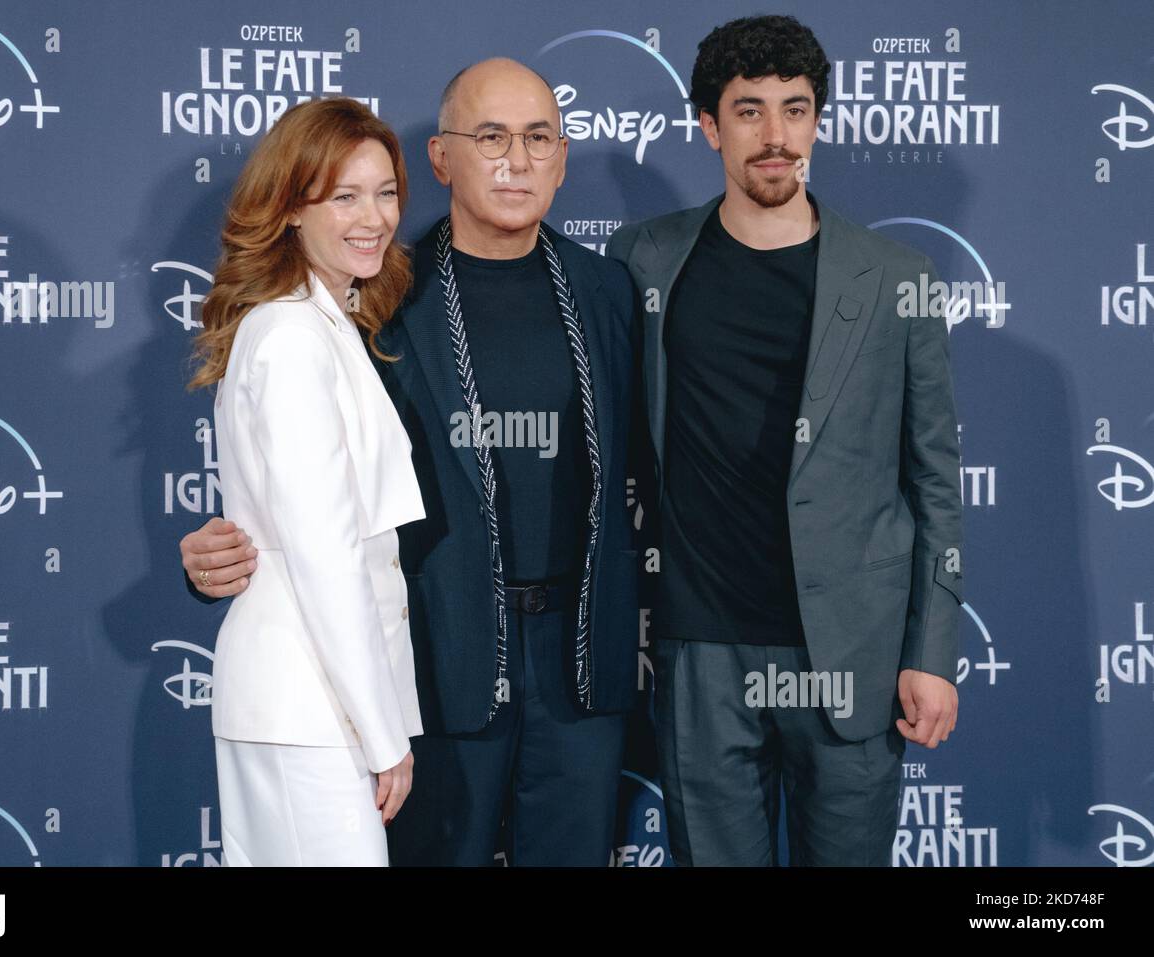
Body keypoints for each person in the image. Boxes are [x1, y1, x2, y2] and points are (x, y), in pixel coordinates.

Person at [183, 58, 641, 866]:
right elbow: (303, 494)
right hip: (431, 663)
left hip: (579, 669)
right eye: (491, 136)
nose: (517, 159)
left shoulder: (607, 291)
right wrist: (217, 555)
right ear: (442, 158)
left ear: (564, 156)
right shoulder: (382, 290)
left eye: (539, 137)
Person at [606, 14, 963, 866]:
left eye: (796, 110)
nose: (776, 136)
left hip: (853, 650)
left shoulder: (897, 280)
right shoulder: (645, 259)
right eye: (750, 110)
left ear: (817, 120)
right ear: (708, 125)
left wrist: (933, 654)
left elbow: (935, 477)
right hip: (702, 650)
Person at [186, 98, 425, 866]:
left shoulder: (324, 323)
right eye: (344, 195)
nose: (374, 217)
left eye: (385, 192)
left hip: (311, 706)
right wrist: (384, 737)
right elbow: (327, 556)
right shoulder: (290, 337)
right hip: (307, 705)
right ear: (290, 208)